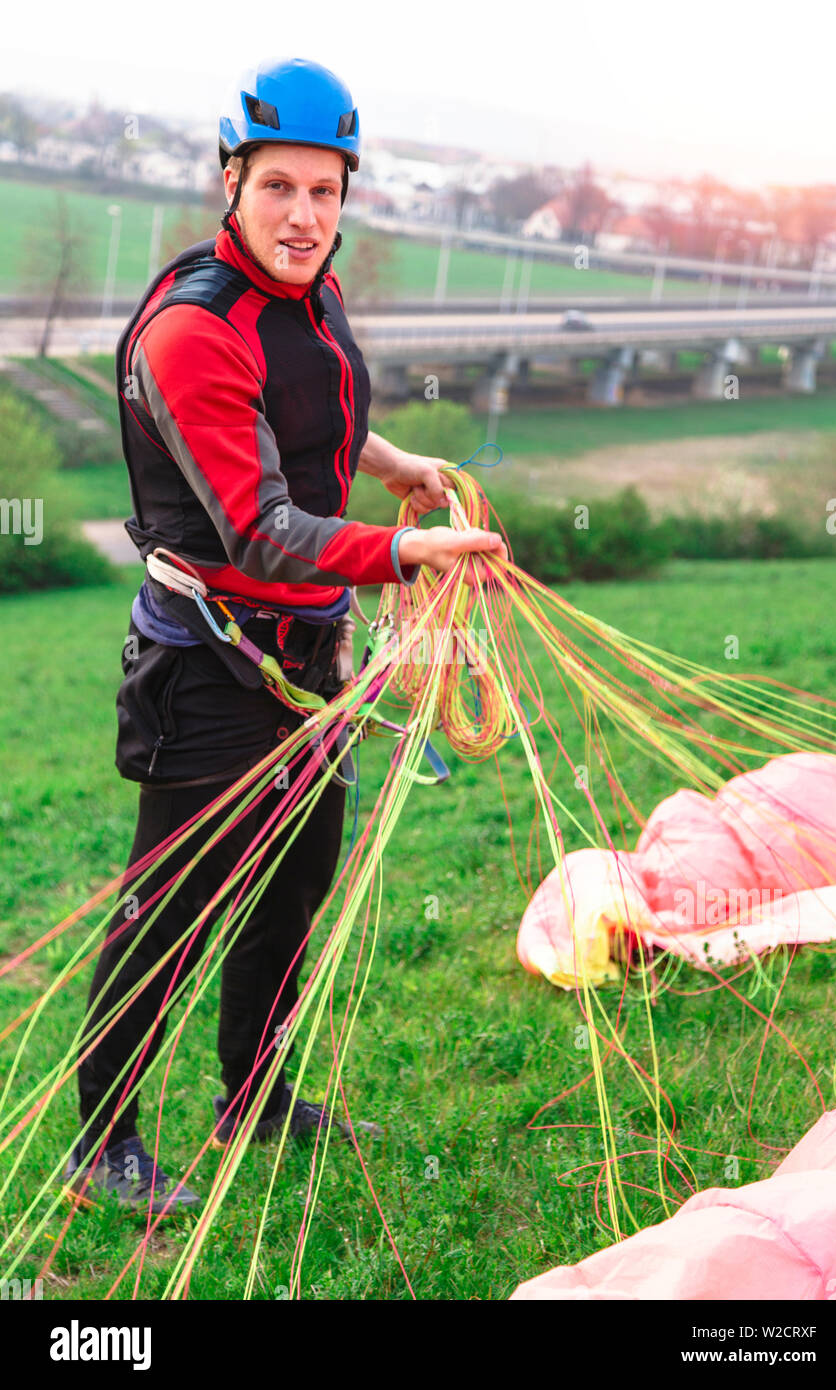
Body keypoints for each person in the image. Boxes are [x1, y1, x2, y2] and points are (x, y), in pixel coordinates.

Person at [62, 56, 505, 1215]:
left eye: (325, 191)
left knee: (294, 885)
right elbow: (257, 527)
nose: (304, 216)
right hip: (208, 665)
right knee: (172, 907)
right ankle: (101, 1136)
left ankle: (251, 1092)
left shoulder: (312, 295)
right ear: (231, 180)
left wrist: (395, 463)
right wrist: (402, 553)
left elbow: (313, 422)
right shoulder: (190, 331)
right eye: (279, 189)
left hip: (313, 660)